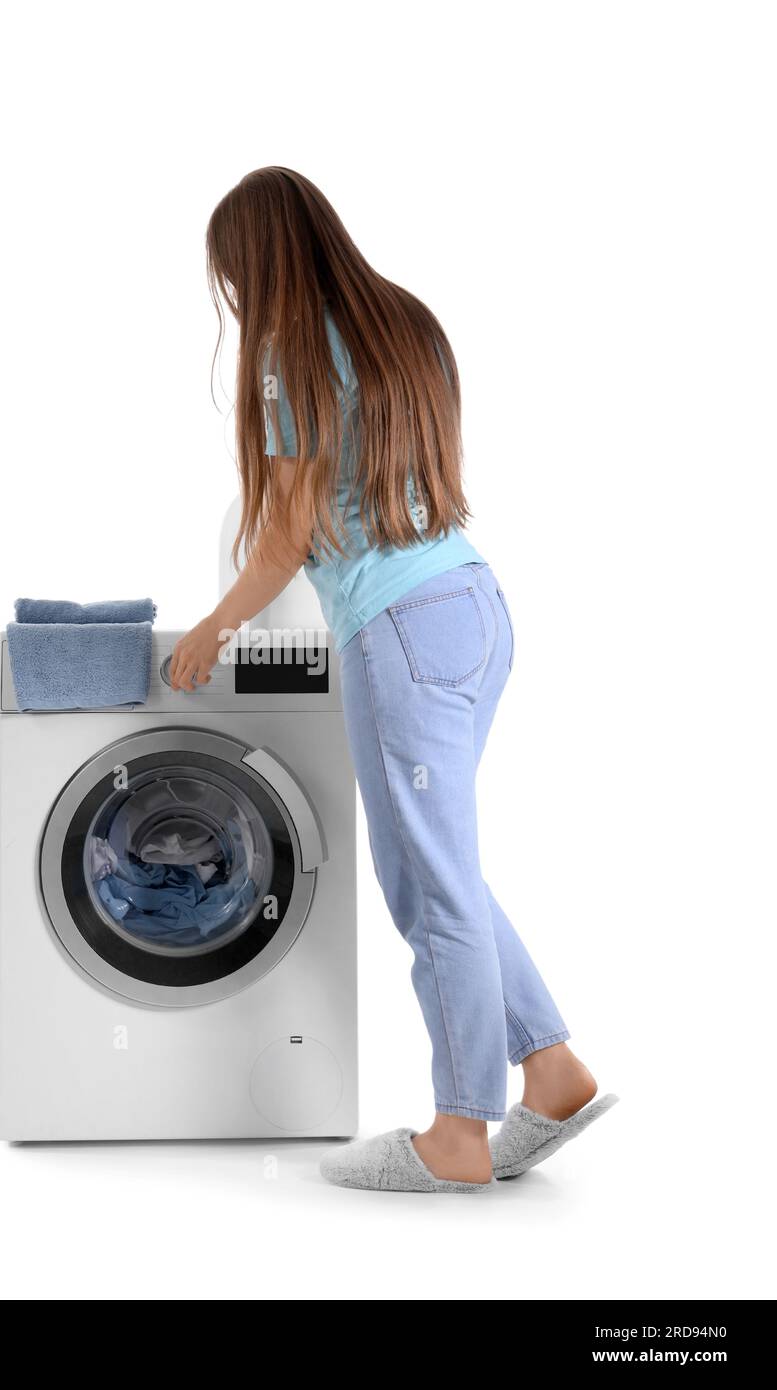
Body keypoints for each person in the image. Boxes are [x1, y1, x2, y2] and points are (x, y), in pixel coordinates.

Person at [170, 167, 617, 1192]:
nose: (233, 298)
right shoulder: (400, 319)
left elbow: (287, 529)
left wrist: (213, 627)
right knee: (441, 866)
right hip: (472, 604)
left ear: (257, 261)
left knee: (428, 885)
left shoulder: (288, 347)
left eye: (231, 275)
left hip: (398, 631)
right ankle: (550, 1067)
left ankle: (460, 1130)